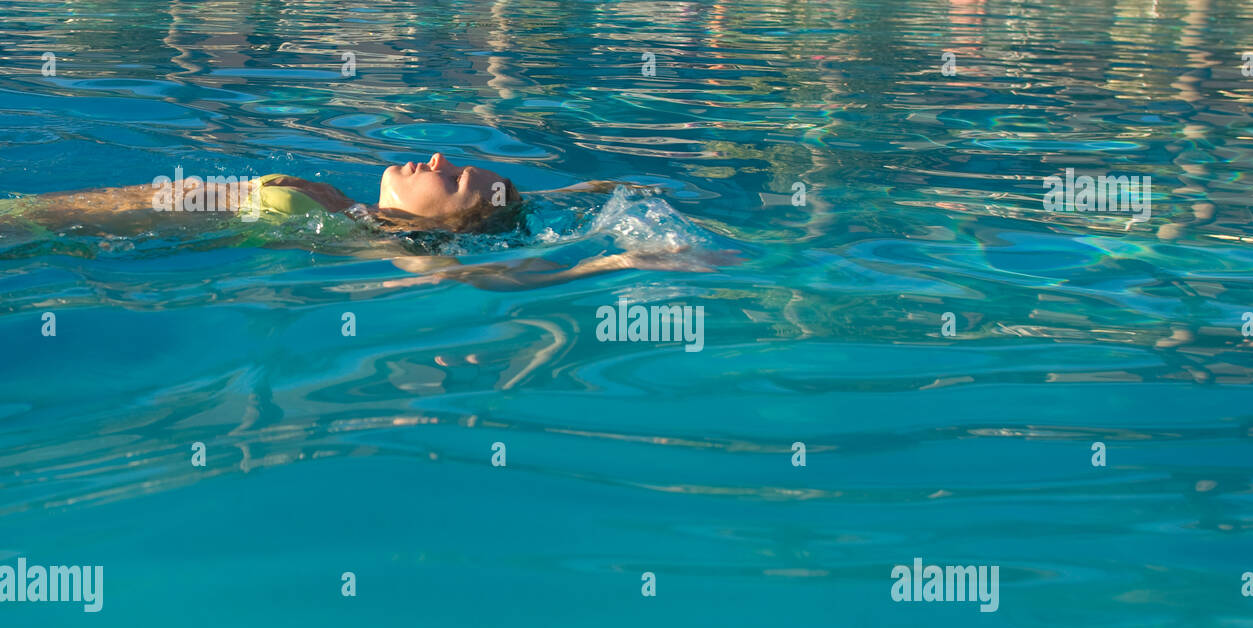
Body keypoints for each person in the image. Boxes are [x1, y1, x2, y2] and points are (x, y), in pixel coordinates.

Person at [1, 153, 736, 288]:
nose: (440, 157)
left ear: (454, 224)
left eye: (455, 179)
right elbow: (520, 218)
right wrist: (588, 187)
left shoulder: (377, 242)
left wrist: (613, 263)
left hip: (32, 235)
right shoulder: (352, 210)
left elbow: (488, 279)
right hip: (32, 216)